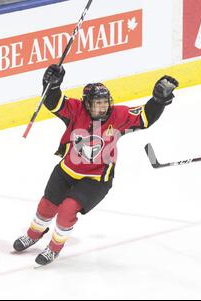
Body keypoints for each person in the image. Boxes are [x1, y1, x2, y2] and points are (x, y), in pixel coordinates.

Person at [13, 64, 179, 266]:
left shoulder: (118, 115)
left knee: (66, 210)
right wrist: (52, 85)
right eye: (97, 103)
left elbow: (146, 117)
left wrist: (158, 101)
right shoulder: (75, 110)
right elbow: (53, 102)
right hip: (66, 170)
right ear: (86, 104)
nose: (103, 107)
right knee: (47, 205)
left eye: (105, 102)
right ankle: (33, 234)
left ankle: (54, 248)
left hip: (97, 179)